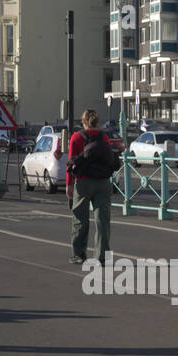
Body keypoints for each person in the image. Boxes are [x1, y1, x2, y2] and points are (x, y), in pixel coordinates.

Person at [66, 109, 117, 264]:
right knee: (102, 220)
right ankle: (102, 257)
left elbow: (71, 164)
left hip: (83, 183)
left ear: (83, 122)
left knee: (80, 219)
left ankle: (79, 254)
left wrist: (69, 185)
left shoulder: (76, 138)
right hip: (103, 182)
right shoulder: (104, 138)